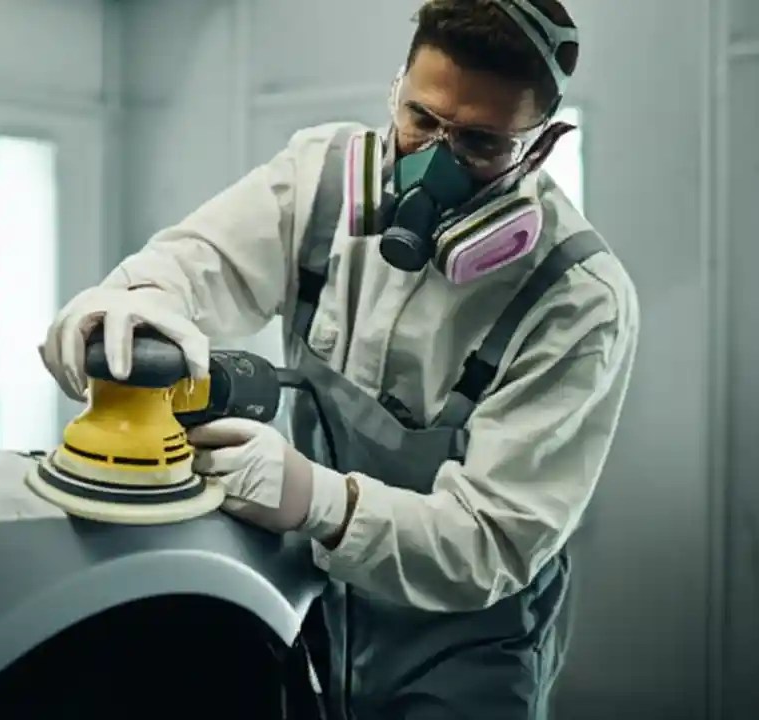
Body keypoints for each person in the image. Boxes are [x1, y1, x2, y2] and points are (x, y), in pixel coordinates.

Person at [40, 0, 639, 717]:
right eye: (421, 120)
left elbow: (492, 544)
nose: (432, 165)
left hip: (466, 649)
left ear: (538, 148)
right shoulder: (322, 182)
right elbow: (197, 264)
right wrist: (132, 299)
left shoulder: (576, 300)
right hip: (315, 609)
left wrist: (313, 499)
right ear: (396, 90)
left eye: (480, 146)